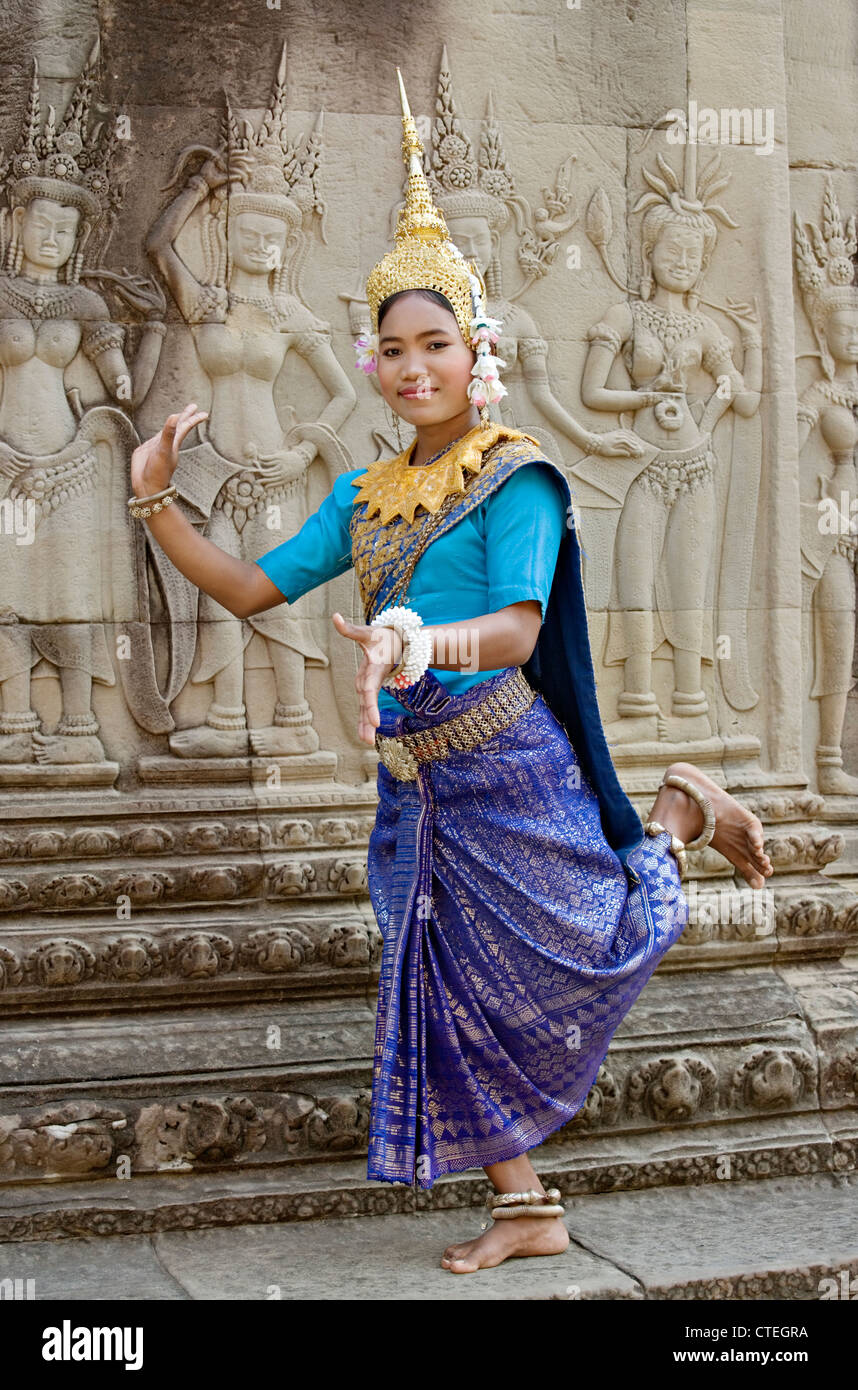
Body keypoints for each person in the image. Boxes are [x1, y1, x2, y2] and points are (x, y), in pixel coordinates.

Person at [129, 71, 772, 1275]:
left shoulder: (513, 477)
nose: (412, 366)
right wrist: (152, 498)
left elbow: (522, 632)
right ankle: (525, 1204)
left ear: (473, 353)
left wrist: (423, 642)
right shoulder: (363, 495)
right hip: (418, 786)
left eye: (434, 343)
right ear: (369, 367)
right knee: (436, 983)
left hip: (507, 758)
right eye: (391, 349)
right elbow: (252, 587)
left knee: (584, 946)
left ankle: (676, 813)